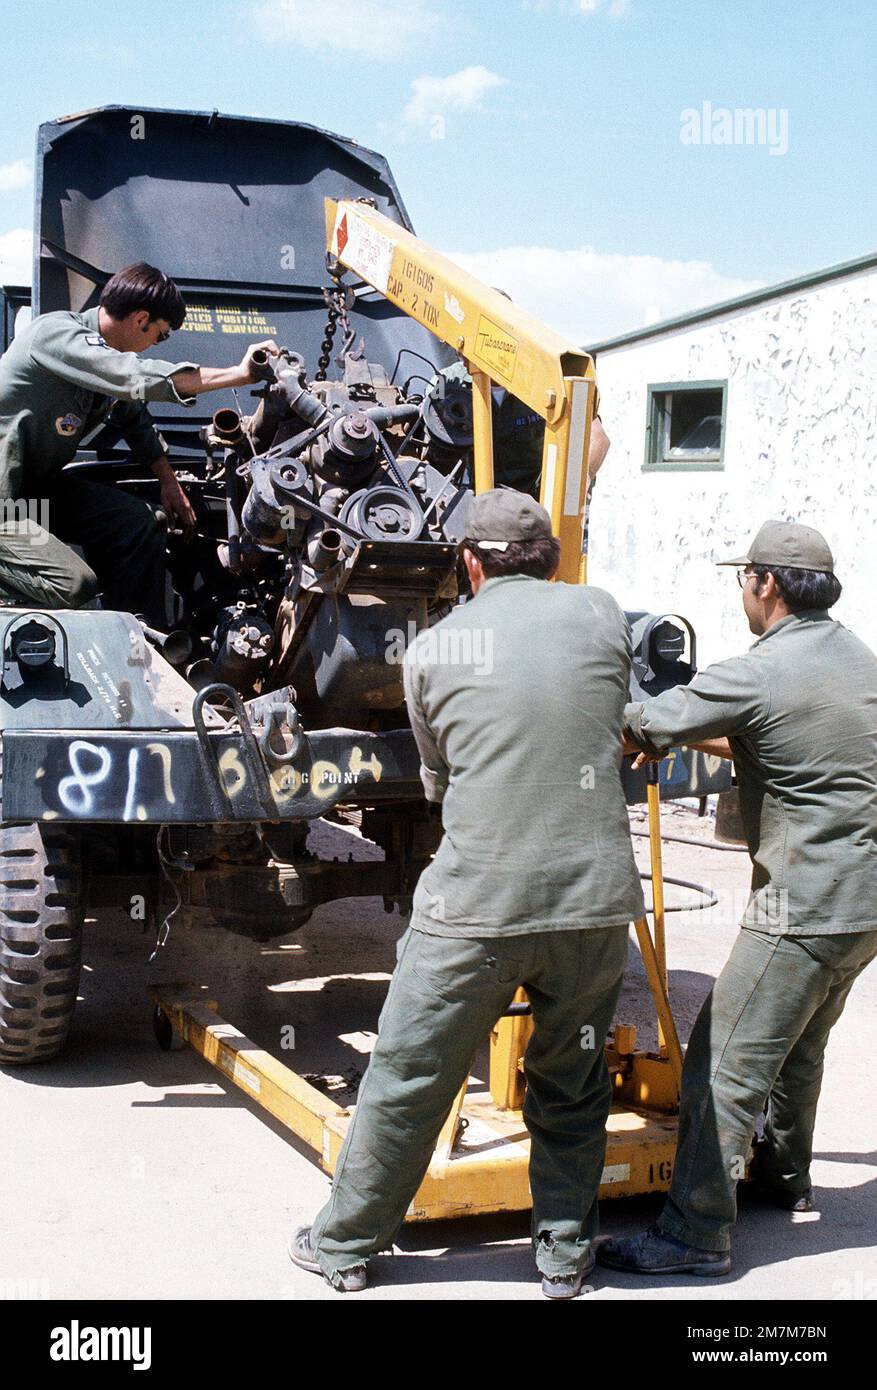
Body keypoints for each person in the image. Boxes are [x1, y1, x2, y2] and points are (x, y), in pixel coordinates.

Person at [289, 489, 645, 1297]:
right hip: (594, 906)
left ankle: (343, 1245)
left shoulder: (429, 653)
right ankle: (561, 1257)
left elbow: (442, 789)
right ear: (549, 561)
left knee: (411, 1073)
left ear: (472, 563)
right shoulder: (600, 614)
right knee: (572, 1080)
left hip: (475, 909)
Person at [598, 520, 877, 1278]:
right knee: (798, 1046)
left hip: (803, 903)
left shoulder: (757, 669)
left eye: (742, 578)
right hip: (864, 904)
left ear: (767, 584)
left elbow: (641, 722)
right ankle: (783, 1179)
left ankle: (693, 1235)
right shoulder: (855, 660)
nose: (742, 593)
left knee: (720, 1062)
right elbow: (776, 735)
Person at [0, 262, 278, 625]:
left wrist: (168, 481)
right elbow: (133, 377)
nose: (154, 345)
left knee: (141, 522)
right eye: (160, 335)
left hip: (33, 494)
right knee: (72, 585)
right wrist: (240, 374)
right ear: (141, 318)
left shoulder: (98, 357)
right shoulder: (56, 334)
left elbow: (132, 416)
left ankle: (142, 641)